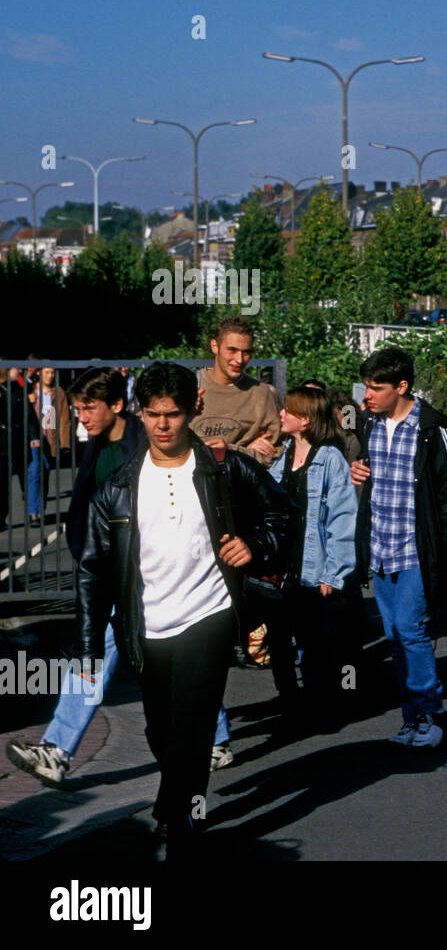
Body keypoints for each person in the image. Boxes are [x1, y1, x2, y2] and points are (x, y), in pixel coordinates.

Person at [74, 362, 293, 858]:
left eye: (172, 414)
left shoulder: (223, 466)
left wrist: (255, 544)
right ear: (139, 413)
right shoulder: (119, 486)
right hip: (148, 625)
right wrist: (88, 647)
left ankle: (180, 819)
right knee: (161, 729)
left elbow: (281, 510)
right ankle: (178, 798)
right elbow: (93, 569)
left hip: (209, 613)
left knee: (193, 725)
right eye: (152, 415)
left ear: (193, 408)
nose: (162, 426)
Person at [6, 367, 237, 786]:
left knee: (167, 660)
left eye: (89, 407)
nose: (82, 417)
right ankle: (213, 738)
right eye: (77, 409)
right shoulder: (100, 445)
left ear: (117, 406)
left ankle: (60, 749)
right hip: (116, 577)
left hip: (151, 579)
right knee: (97, 655)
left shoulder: (144, 445)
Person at [351, 347, 447, 748]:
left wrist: (446, 548)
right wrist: (357, 473)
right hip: (381, 548)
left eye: (376, 388)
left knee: (410, 631)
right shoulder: (369, 422)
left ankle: (430, 714)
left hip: (419, 551)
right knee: (395, 637)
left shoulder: (435, 429)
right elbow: (368, 476)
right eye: (366, 386)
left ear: (402, 387)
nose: (367, 395)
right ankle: (412, 717)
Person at [259, 387, 357, 722]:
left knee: (316, 646)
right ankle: (290, 704)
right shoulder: (283, 455)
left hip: (313, 569)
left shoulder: (330, 459)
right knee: (280, 644)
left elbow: (343, 519)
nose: (281, 414)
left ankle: (324, 706)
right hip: (282, 568)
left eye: (288, 410)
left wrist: (335, 572)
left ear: (305, 420)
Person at [191, 316, 283, 467]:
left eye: (246, 352)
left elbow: (275, 453)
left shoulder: (261, 394)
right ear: (215, 346)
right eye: (232, 350)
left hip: (239, 484)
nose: (239, 360)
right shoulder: (189, 386)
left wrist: (235, 451)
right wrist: (183, 410)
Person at [26, 366, 71, 525]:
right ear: (39, 373)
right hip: (33, 438)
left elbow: (65, 419)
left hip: (50, 437)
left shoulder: (58, 392)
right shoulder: (30, 390)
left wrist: (64, 443)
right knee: (35, 470)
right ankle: (33, 512)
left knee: (44, 471)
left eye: (52, 373)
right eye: (47, 372)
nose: (50, 376)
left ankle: (40, 510)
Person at [1, 367, 40, 529]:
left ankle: (33, 512)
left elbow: (29, 415)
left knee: (30, 476)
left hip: (19, 440)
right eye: (15, 368)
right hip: (3, 443)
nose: (19, 371)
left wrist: (34, 436)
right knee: (2, 482)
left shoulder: (18, 389)